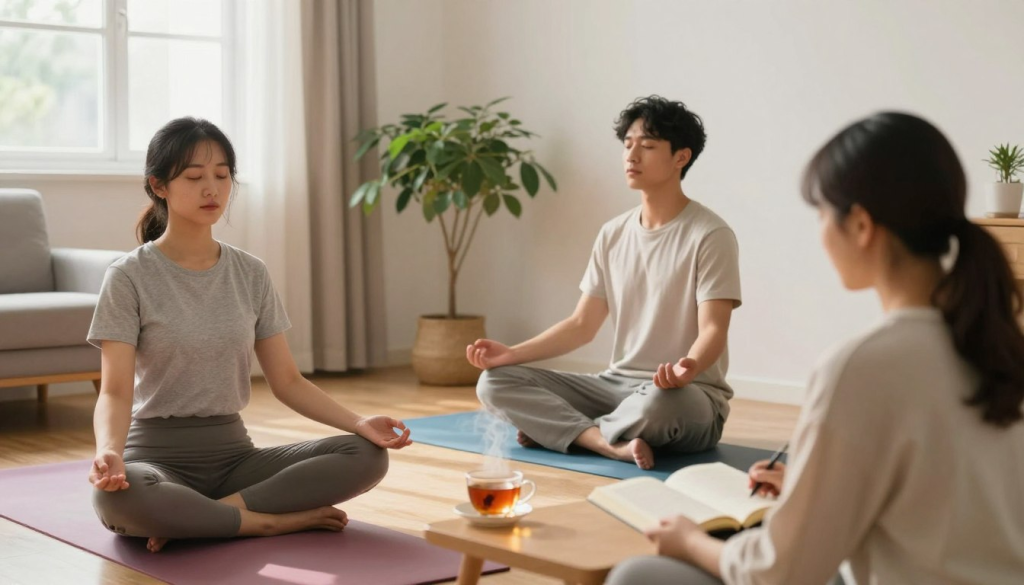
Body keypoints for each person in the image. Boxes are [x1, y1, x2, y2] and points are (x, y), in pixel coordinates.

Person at [606, 112, 1024, 584]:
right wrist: (813, 491)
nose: (821, 233)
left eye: (822, 214)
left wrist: (689, 541)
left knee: (637, 575)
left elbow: (779, 573)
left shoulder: (863, 367)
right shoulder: (1000, 348)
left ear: (861, 225)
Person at [88, 117, 412, 553]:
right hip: (156, 459)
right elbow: (114, 391)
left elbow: (288, 381)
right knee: (118, 497)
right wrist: (109, 450)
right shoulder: (128, 276)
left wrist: (358, 423)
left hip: (235, 459)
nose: (212, 189)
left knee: (367, 455)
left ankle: (205, 517)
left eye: (222, 176)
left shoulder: (250, 272)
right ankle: (270, 523)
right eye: (194, 177)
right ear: (158, 185)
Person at [468, 96, 742, 469]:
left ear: (681, 157)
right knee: (494, 382)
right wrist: (510, 355)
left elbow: (713, 329)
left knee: (659, 405)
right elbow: (582, 325)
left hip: (685, 394)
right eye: (627, 145)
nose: (632, 156)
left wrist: (689, 367)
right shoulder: (613, 233)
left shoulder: (710, 234)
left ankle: (565, 430)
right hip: (614, 388)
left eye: (647, 146)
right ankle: (606, 442)